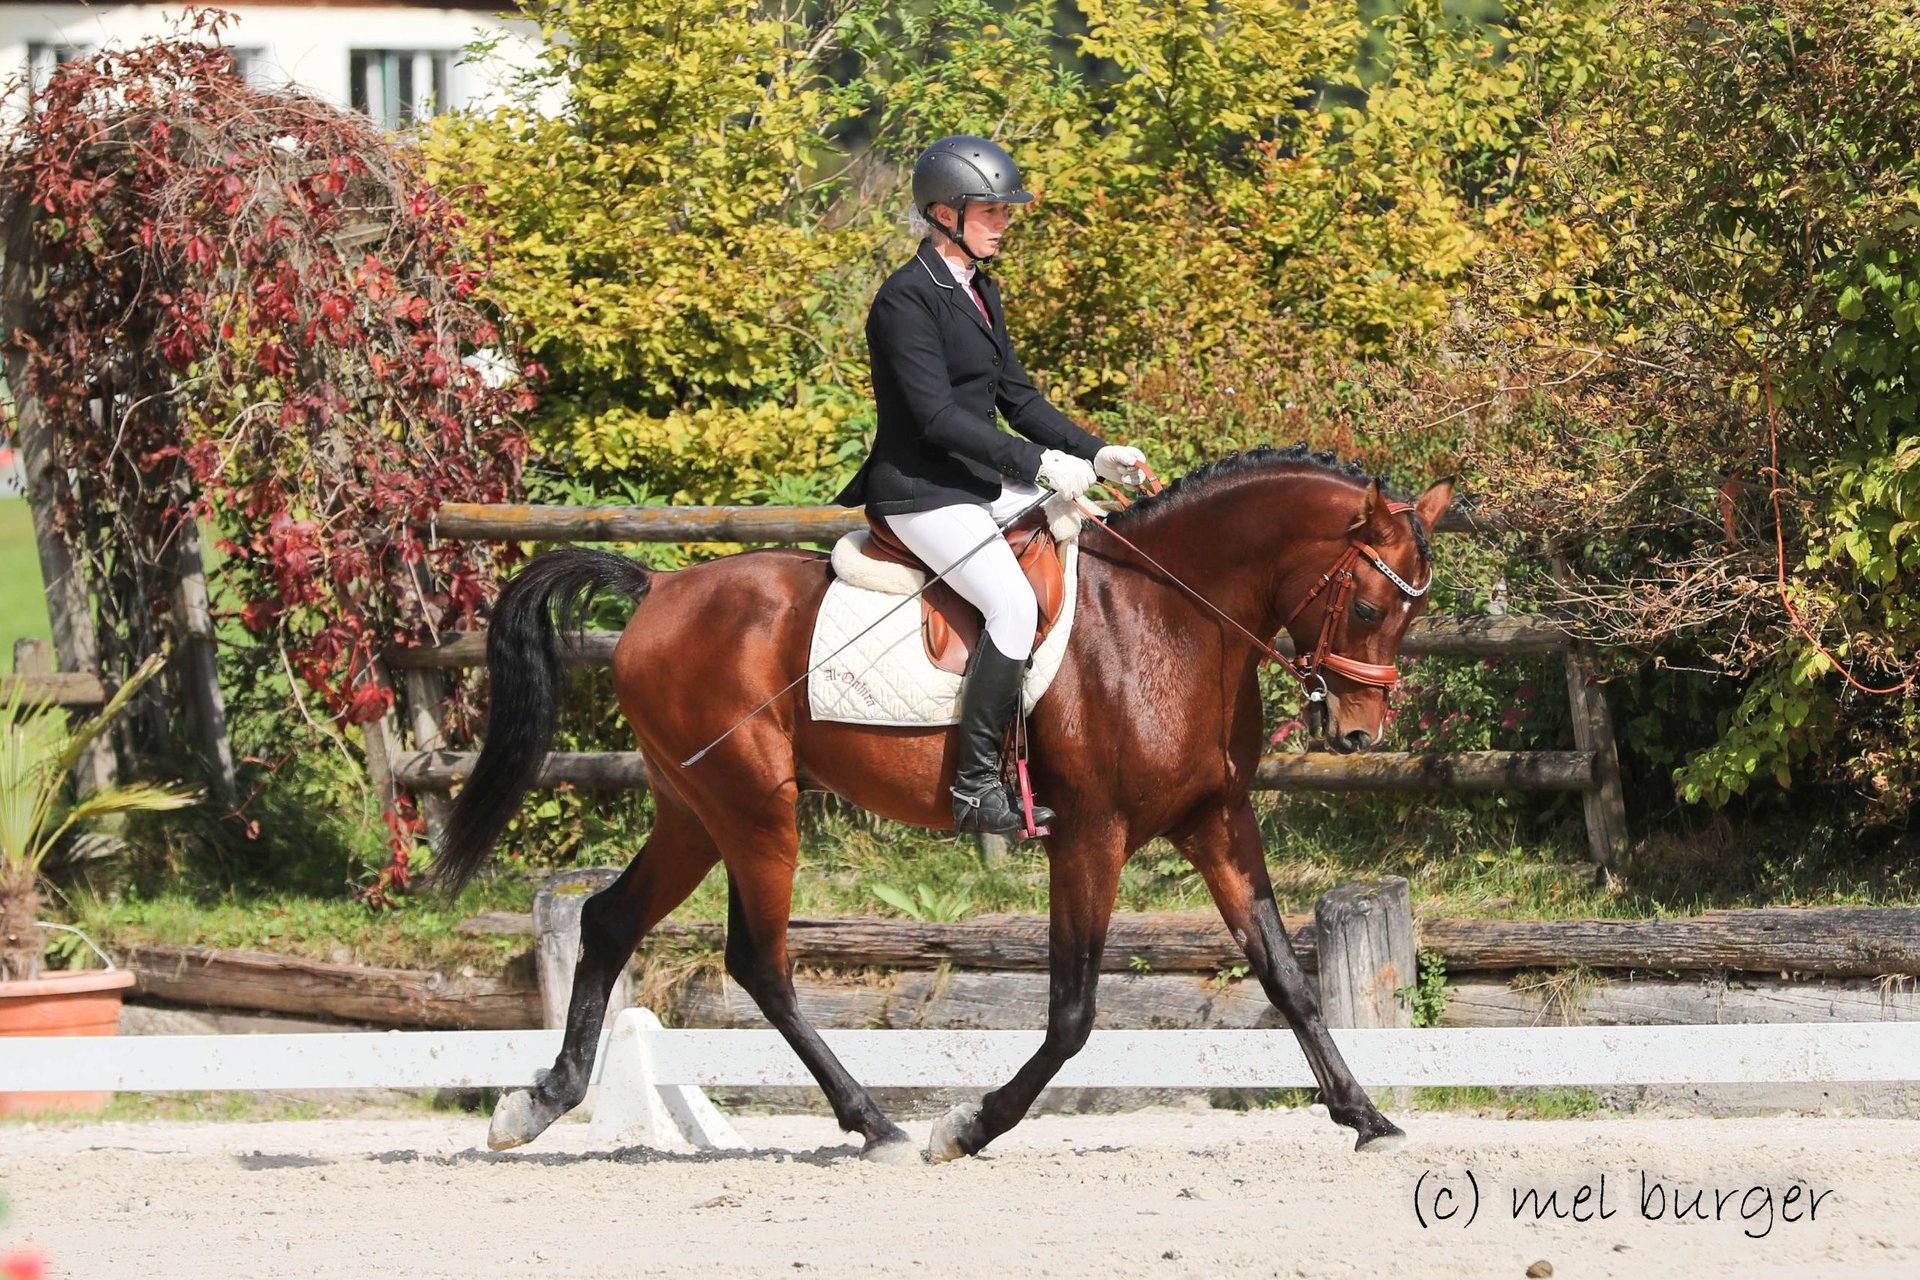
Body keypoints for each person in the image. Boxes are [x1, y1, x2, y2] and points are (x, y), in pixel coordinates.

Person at [834, 135, 1149, 837]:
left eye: (1005, 210)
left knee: (1086, 540)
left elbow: (1019, 397)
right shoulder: (904, 301)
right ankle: (975, 787)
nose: (1003, 222)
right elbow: (938, 418)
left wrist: (1096, 455)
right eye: (989, 210)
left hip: (975, 481)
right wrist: (1038, 464)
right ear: (943, 213)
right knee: (1008, 604)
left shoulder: (979, 288)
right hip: (921, 490)